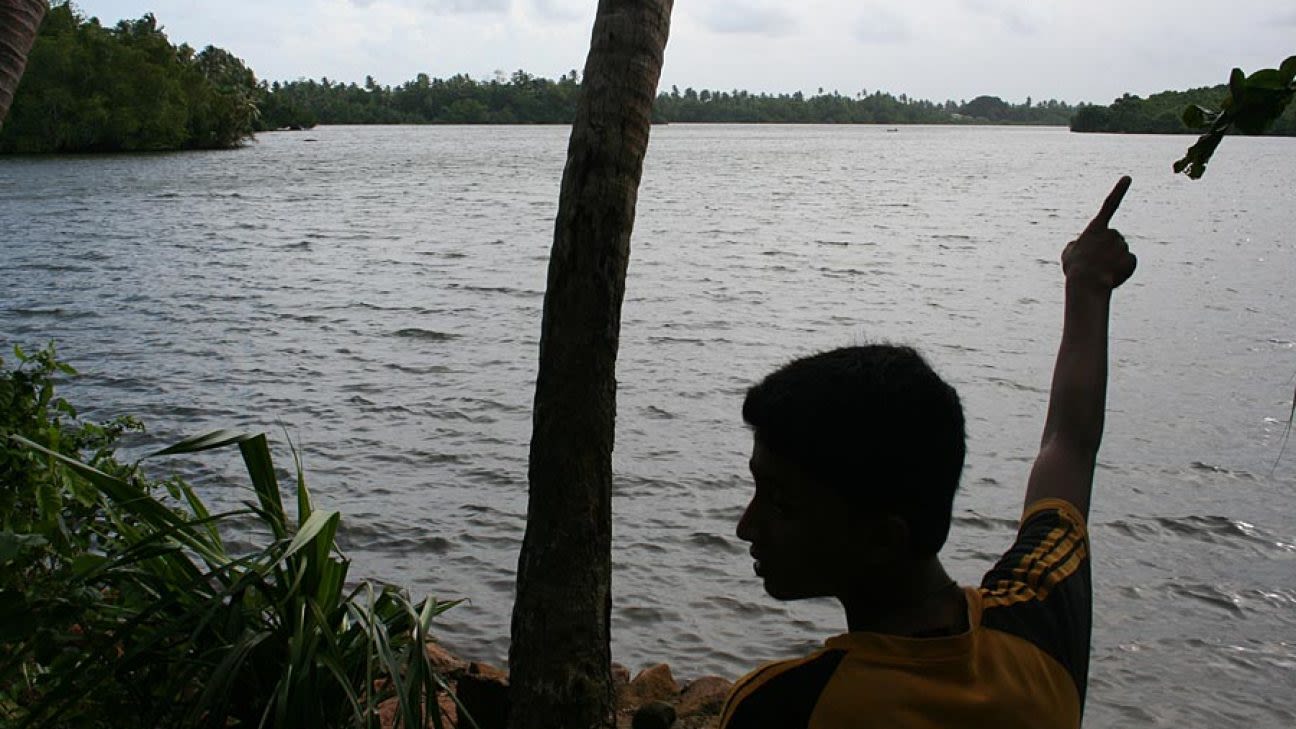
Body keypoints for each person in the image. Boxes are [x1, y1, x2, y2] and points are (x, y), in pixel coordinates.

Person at [719, 177, 1137, 729]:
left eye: (780, 503)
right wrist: (1087, 287)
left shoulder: (781, 709)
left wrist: (1087, 285)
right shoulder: (1039, 629)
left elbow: (1070, 444)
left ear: (882, 539)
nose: (746, 526)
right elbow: (1070, 446)